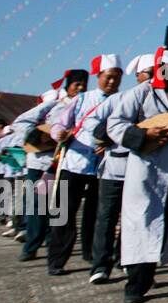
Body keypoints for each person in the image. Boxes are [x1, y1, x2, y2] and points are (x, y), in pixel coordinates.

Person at [106, 47, 168, 303]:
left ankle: (149, 271)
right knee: (141, 222)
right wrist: (144, 135)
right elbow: (115, 124)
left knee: (167, 222)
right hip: (146, 165)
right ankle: (135, 283)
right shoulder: (141, 93)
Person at [47, 57, 122, 277]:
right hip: (74, 164)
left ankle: (91, 255)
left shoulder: (121, 100)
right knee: (63, 214)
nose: (112, 82)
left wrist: (109, 143)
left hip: (103, 168)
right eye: (108, 77)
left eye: (116, 78)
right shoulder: (81, 100)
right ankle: (56, 259)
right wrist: (58, 133)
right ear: (98, 76)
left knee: (97, 215)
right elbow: (60, 123)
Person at [88, 53, 154, 283]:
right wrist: (103, 139)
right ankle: (100, 265)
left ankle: (127, 260)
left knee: (137, 220)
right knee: (107, 217)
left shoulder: (164, 100)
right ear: (138, 76)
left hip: (146, 170)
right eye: (148, 74)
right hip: (116, 167)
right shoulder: (120, 99)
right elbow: (93, 125)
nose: (152, 79)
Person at [13, 73, 88, 263]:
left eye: (84, 85)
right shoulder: (53, 105)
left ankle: (52, 244)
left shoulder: (85, 106)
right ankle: (31, 246)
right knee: (38, 206)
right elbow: (21, 122)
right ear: (68, 86)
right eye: (76, 85)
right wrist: (38, 136)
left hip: (63, 165)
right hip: (41, 163)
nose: (80, 89)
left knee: (58, 208)